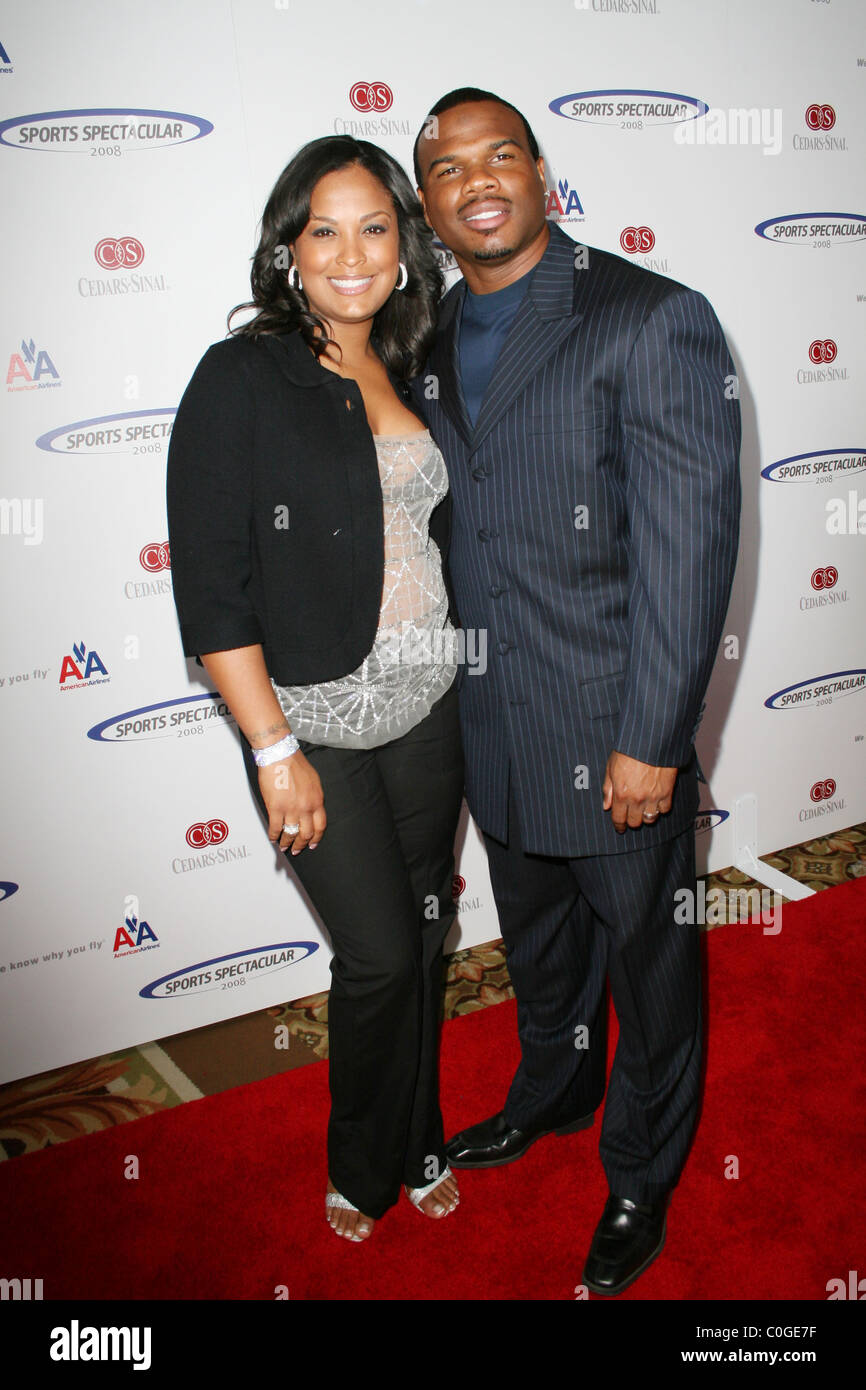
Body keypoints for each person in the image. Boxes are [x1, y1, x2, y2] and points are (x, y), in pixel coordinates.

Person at [412, 89, 742, 1295]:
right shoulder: (429, 336)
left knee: (649, 967)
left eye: (499, 152)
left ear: (539, 170)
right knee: (543, 952)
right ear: (430, 201)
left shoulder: (648, 317)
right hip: (495, 724)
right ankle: (550, 1092)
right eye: (446, 166)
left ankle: (643, 1170)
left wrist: (652, 737)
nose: (476, 178)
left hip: (615, 733)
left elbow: (688, 548)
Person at [166, 135, 465, 1243]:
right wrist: (271, 749)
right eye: (323, 230)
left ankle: (422, 1131)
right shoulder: (242, 375)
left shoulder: (414, 358)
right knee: (378, 956)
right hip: (317, 724)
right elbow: (212, 587)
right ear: (287, 248)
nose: (350, 254)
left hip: (431, 707)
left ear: (403, 245)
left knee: (425, 938)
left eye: (375, 228)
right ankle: (362, 1162)